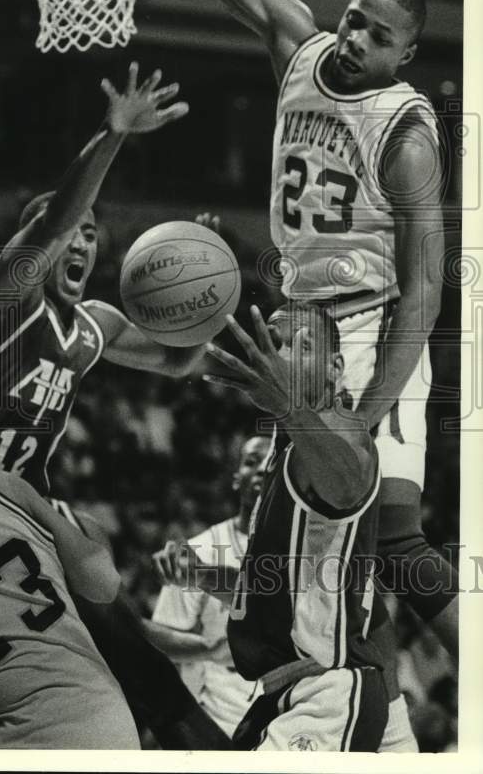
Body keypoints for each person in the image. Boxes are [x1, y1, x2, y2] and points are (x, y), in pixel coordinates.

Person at [121, 0, 457, 661]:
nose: (353, 40)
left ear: (406, 52)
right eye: (353, 20)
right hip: (299, 323)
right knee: (316, 541)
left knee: (394, 537)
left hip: (377, 320)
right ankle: (344, 700)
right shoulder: (297, 49)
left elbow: (424, 286)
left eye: (377, 35)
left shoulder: (406, 132)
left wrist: (373, 409)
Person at [0, 62, 204, 493]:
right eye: (71, 235)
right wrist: (113, 135)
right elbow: (56, 223)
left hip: (18, 509)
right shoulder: (5, 298)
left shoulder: (96, 325)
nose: (78, 243)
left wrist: (211, 298)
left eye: (90, 235)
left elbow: (176, 360)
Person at [156, 302, 388, 751]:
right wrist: (201, 574)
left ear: (334, 368)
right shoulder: (284, 452)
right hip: (278, 693)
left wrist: (285, 406)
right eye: (275, 343)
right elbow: (270, 594)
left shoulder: (344, 431)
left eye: (299, 346)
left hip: (329, 695)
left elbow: (347, 484)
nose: (278, 355)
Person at [0, 468, 231, 750]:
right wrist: (205, 648)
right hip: (105, 716)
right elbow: (119, 611)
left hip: (14, 727)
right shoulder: (3, 492)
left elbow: (127, 630)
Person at [152, 435, 271, 737]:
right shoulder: (201, 550)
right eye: (250, 462)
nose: (259, 471)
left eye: (270, 464)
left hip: (288, 715)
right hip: (220, 715)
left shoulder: (299, 554)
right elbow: (162, 639)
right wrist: (211, 650)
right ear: (235, 478)